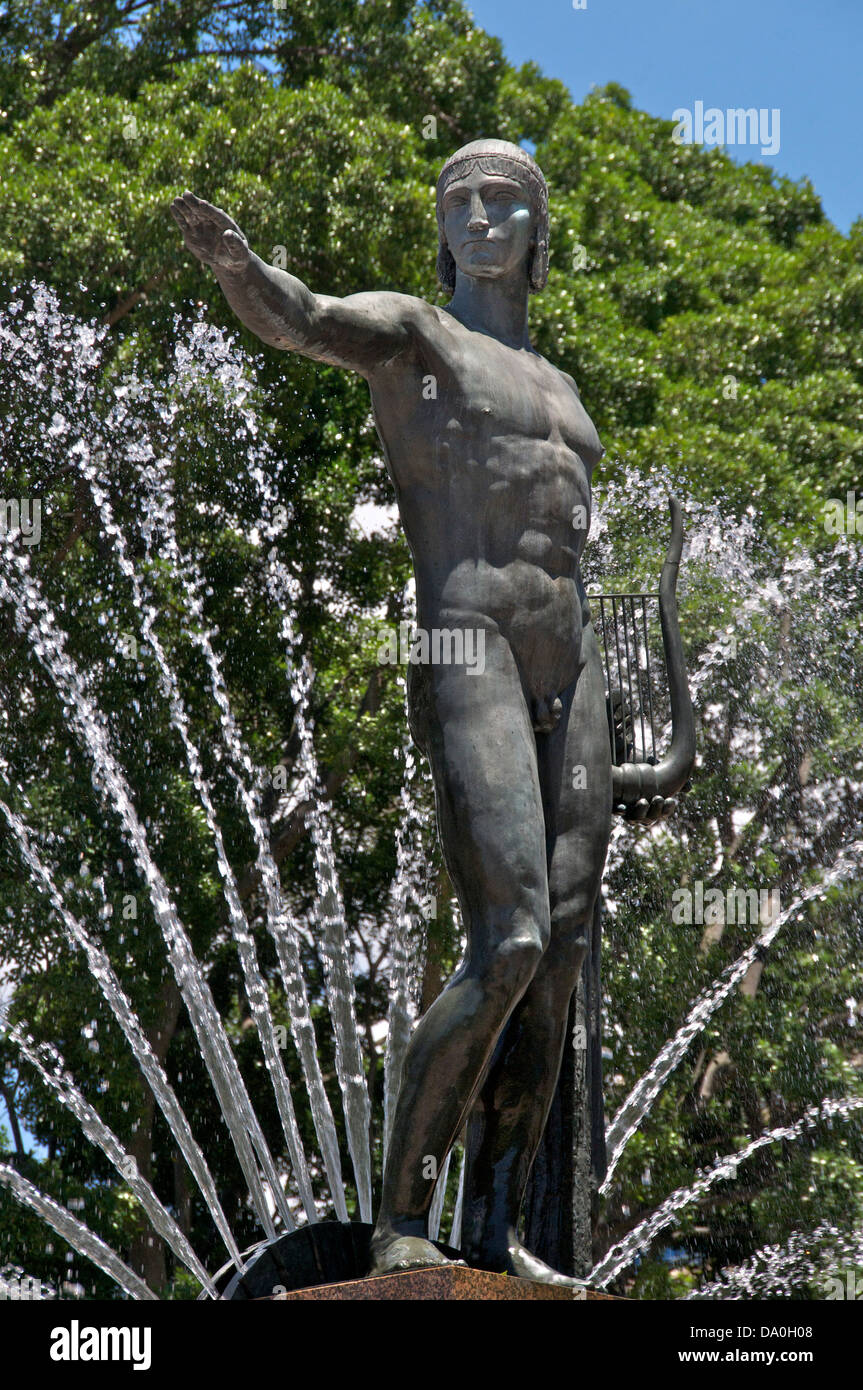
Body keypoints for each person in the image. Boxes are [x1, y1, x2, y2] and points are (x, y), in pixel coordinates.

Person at [171, 140, 612, 1285]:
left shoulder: (563, 388)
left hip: (574, 672)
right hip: (463, 640)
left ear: (534, 229)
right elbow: (307, 316)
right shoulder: (420, 336)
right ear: (441, 226)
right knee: (507, 935)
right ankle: (400, 1216)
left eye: (502, 201)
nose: (479, 217)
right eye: (459, 201)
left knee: (559, 955)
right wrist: (239, 268)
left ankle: (500, 1226)